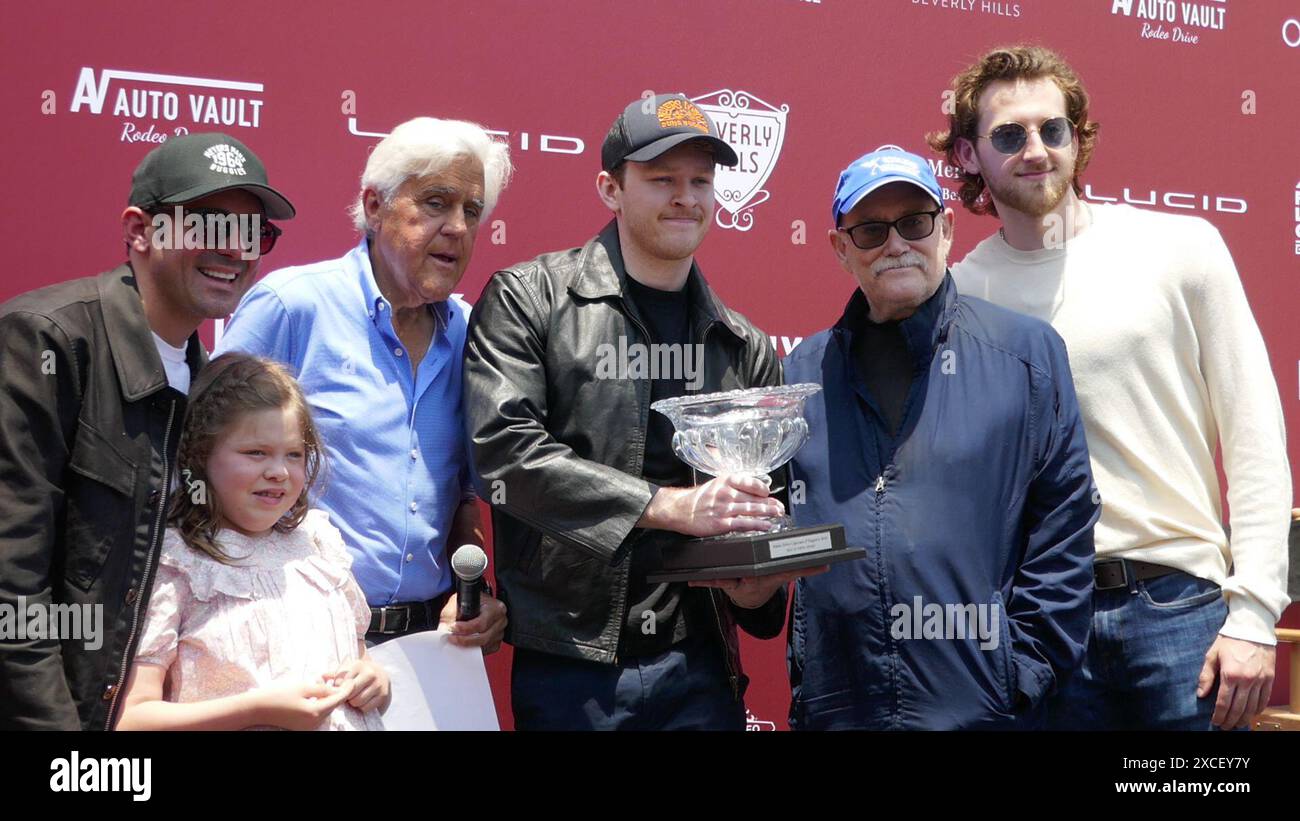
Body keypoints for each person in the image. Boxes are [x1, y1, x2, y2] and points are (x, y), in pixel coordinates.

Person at [932, 44, 1292, 730]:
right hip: (1041, 622)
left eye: (1053, 128)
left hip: (1182, 612)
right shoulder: (959, 297)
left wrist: (1253, 612)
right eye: (1009, 135)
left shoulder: (1182, 248)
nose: (1036, 149)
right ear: (969, 155)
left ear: (1078, 136)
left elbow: (1254, 439)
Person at [464, 94, 812, 730]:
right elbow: (504, 455)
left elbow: (769, 510)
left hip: (703, 666)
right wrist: (670, 506)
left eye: (700, 180)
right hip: (574, 667)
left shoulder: (745, 345)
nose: (685, 196)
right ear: (610, 189)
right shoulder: (529, 300)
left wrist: (762, 585)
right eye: (661, 180)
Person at [784, 146, 1099, 730]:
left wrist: (1020, 675)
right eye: (872, 230)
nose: (896, 244)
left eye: (914, 222)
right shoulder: (799, 374)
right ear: (840, 248)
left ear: (947, 230)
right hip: (840, 710)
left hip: (980, 709)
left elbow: (1064, 526)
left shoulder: (1026, 356)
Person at [0, 132, 294, 730]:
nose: (233, 250)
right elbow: (12, 586)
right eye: (209, 225)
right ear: (140, 231)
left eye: (250, 233)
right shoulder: (45, 342)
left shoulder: (210, 386)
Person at [215, 118, 509, 649]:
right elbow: (204, 466)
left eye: (471, 211)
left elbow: (464, 493)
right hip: (298, 640)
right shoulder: (292, 305)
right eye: (436, 203)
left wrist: (475, 592)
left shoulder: (473, 332)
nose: (459, 228)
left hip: (432, 650)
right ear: (375, 207)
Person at [115, 354, 389, 730]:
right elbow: (132, 718)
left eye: (293, 455)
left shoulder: (319, 544)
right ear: (199, 458)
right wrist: (255, 710)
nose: (277, 472)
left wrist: (374, 681)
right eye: (255, 453)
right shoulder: (177, 564)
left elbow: (358, 657)